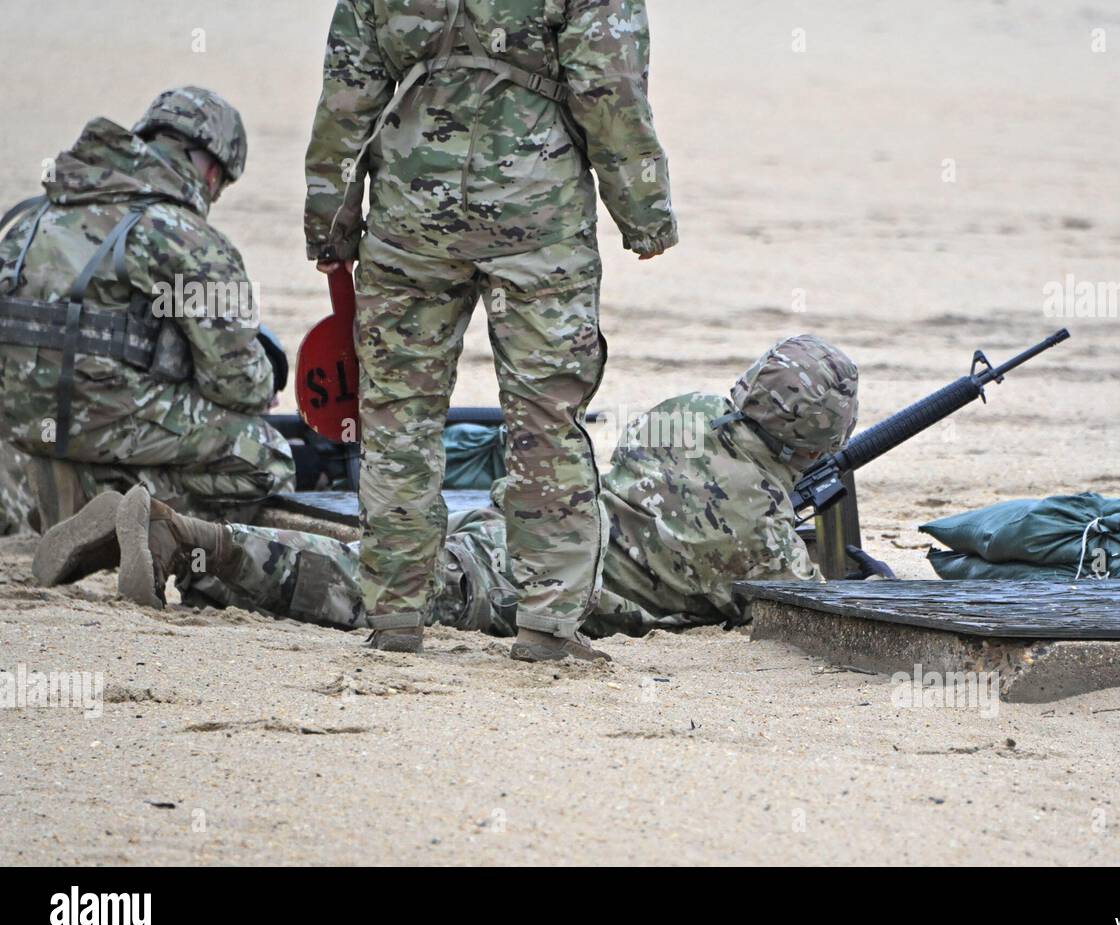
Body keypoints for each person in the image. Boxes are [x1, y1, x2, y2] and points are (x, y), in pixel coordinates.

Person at [39, 336, 894, 660]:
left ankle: (182, 542)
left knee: (381, 558)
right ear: (818, 443)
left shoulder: (687, 414)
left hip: (520, 530)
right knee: (363, 586)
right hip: (530, 591)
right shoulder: (760, 534)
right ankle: (188, 537)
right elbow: (785, 607)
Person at [303, 0, 678, 655]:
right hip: (539, 217)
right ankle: (547, 626)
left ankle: (395, 617)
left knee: (397, 418)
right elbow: (608, 89)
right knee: (545, 417)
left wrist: (332, 222)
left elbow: (348, 95)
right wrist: (643, 213)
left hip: (409, 217)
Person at [0, 86, 294, 549]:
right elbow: (237, 382)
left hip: (20, 425)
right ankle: (127, 511)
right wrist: (264, 380)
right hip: (99, 420)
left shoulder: (34, 215)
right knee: (265, 455)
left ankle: (54, 490)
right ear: (212, 170)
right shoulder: (181, 235)